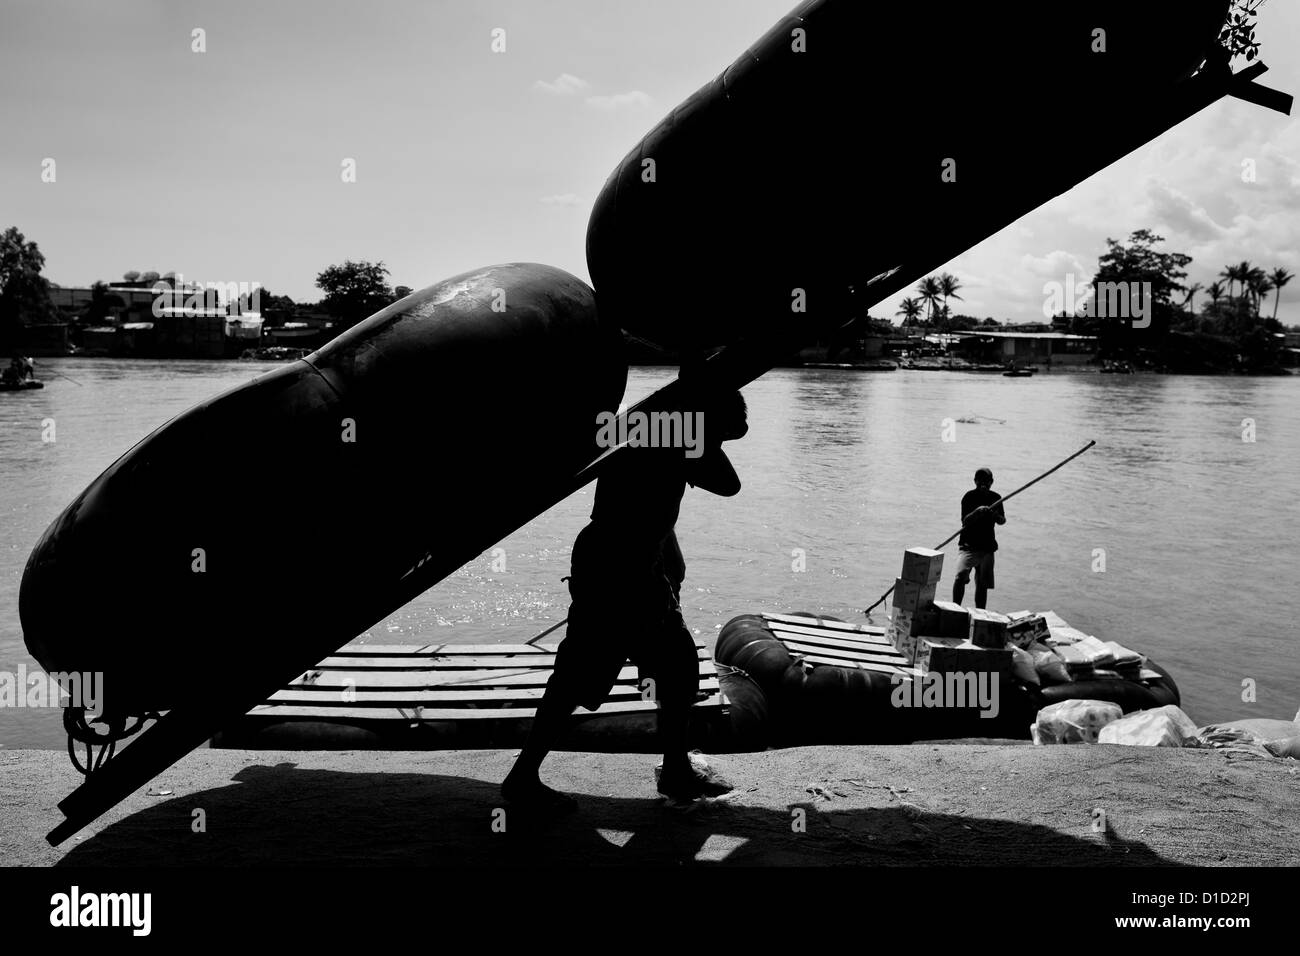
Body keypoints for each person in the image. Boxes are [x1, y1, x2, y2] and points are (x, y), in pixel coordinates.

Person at [502, 384, 748, 813]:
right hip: (620, 568)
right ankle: (525, 778)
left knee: (658, 668)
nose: (721, 444)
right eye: (720, 436)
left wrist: (666, 553)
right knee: (604, 672)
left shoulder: (649, 427)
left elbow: (649, 503)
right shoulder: (673, 433)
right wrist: (700, 427)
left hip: (619, 560)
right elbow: (729, 485)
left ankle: (671, 769)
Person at [951, 467, 1006, 610]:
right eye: (980, 481)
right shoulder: (969, 497)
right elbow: (965, 521)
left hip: (987, 548)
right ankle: (955, 610)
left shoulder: (996, 498)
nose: (983, 484)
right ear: (975, 481)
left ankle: (980, 615)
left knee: (982, 585)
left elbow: (1002, 521)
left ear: (991, 482)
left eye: (987, 482)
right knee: (960, 576)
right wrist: (977, 512)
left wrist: (994, 515)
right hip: (968, 546)